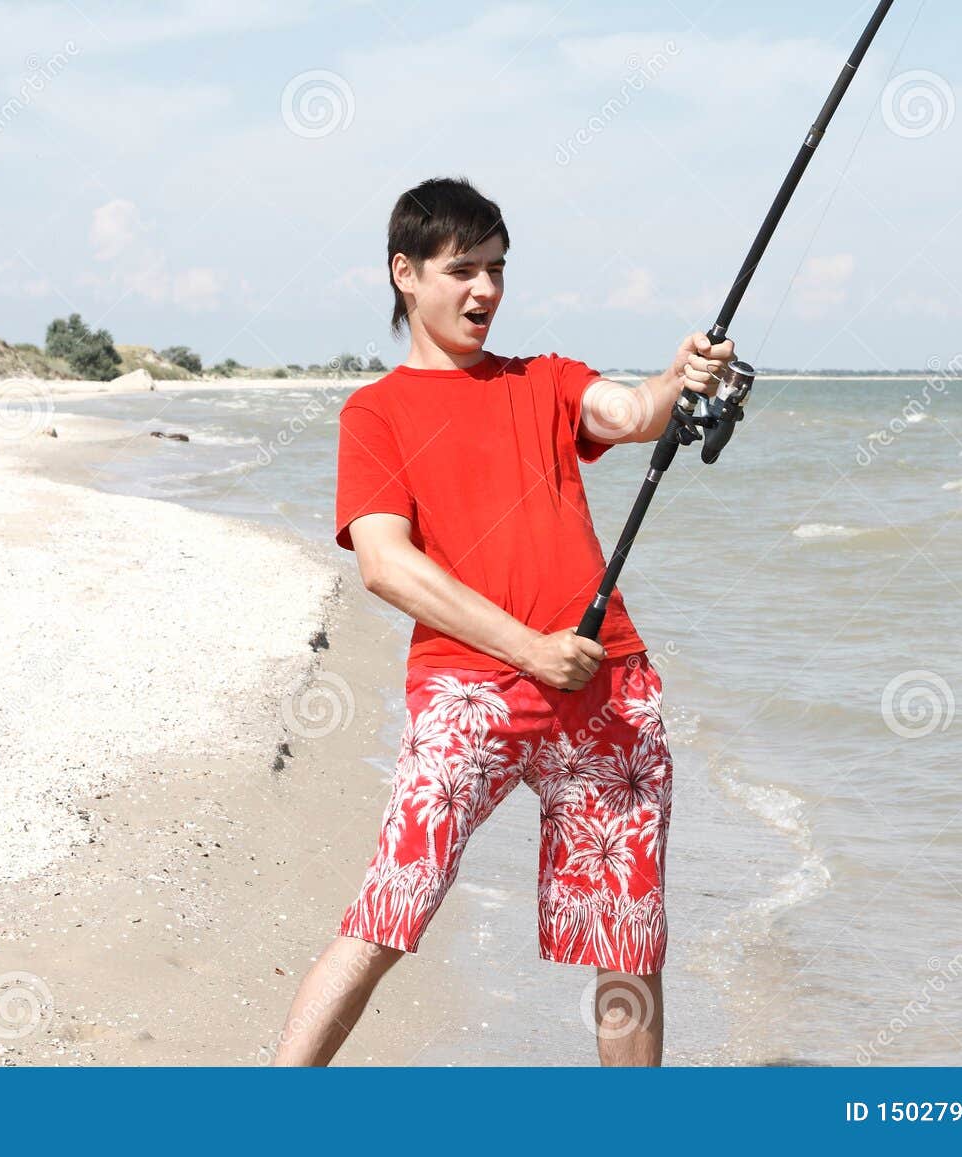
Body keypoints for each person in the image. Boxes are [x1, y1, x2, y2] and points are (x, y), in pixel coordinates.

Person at [271, 176, 734, 1067]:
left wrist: (683, 374)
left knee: (628, 940)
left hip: (607, 684)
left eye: (497, 269)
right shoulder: (375, 412)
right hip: (468, 691)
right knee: (388, 911)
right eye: (463, 270)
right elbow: (384, 563)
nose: (485, 289)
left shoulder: (545, 380)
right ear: (405, 273)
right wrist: (526, 647)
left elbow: (633, 412)